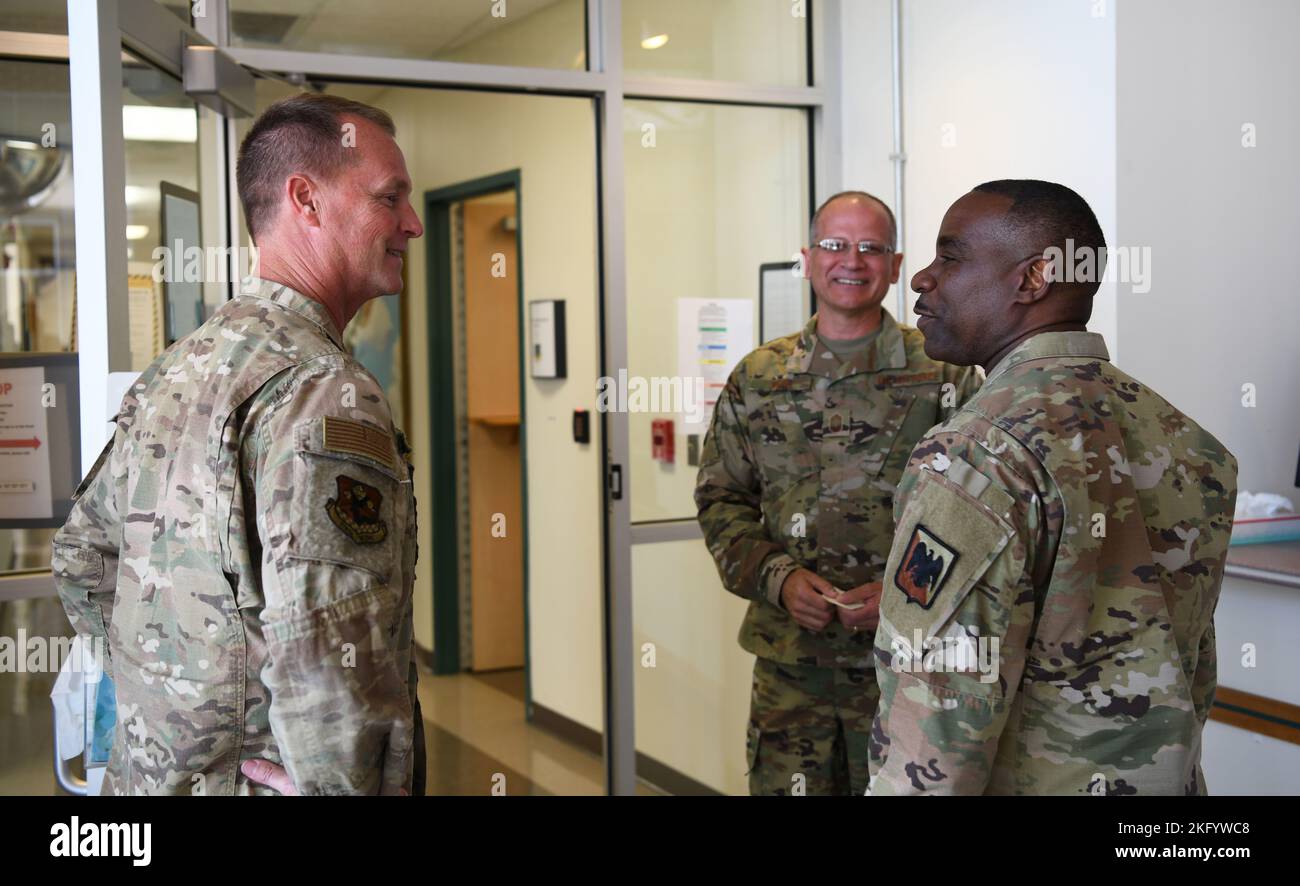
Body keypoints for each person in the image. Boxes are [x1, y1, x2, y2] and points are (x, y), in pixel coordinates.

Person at [50, 93, 425, 795]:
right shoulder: (324, 391)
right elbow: (328, 649)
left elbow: (82, 560)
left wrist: (170, 705)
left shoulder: (179, 366)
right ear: (306, 201)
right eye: (390, 197)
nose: (413, 223)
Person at [868, 180, 1238, 795]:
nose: (922, 279)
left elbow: (938, 709)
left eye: (950, 257)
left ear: (1034, 278)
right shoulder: (1188, 440)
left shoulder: (978, 453)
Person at [695, 191, 981, 795]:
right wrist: (779, 578)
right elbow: (722, 501)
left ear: (897, 265)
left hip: (909, 668)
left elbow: (977, 513)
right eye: (834, 245)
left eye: (870, 248)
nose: (851, 261)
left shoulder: (945, 376)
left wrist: (909, 597)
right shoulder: (759, 378)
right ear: (807, 258)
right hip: (790, 669)